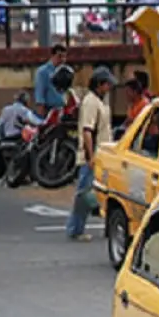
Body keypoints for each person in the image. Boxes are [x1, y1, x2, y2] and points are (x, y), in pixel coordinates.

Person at [66, 67, 116, 241]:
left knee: (97, 192)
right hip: (93, 156)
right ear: (99, 85)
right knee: (84, 194)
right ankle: (75, 229)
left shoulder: (101, 101)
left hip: (102, 155)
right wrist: (90, 156)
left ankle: (101, 227)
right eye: (107, 84)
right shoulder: (91, 102)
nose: (109, 87)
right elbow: (88, 131)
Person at [34, 44, 69, 116]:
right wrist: (41, 116)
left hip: (63, 109)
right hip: (49, 110)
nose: (62, 59)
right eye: (59, 56)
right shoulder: (43, 71)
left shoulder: (65, 71)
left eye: (64, 57)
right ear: (52, 56)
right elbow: (40, 96)